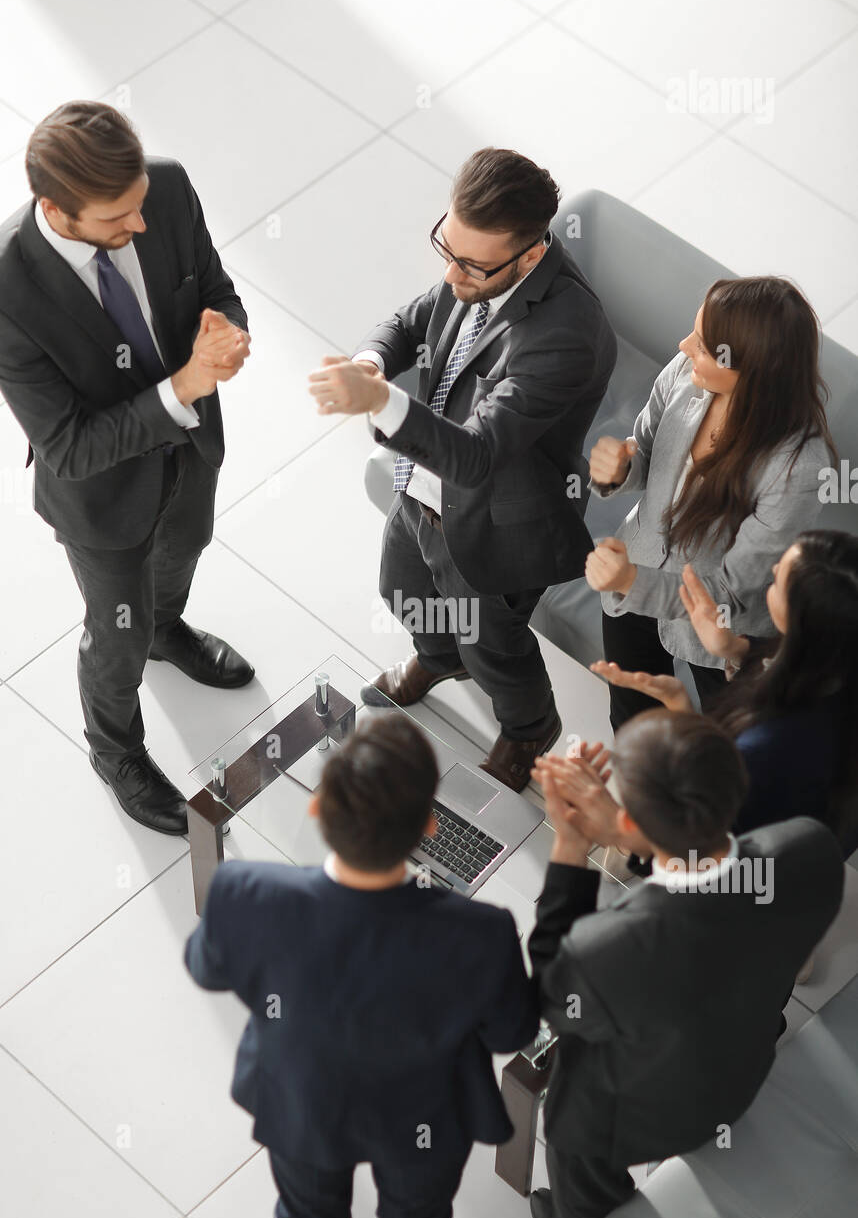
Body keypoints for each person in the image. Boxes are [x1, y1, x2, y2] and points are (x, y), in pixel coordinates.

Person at [306, 147, 617, 791]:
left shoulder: (565, 333)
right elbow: (411, 320)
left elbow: (476, 456)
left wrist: (380, 402)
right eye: (444, 248)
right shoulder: (476, 268)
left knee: (494, 645)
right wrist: (370, 365)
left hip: (497, 513)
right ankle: (438, 657)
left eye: (469, 264)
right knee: (403, 589)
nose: (451, 276)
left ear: (530, 256)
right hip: (422, 483)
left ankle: (530, 727)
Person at [184, 712, 539, 1218]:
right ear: (430, 825)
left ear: (317, 806)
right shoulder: (483, 933)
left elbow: (205, 967)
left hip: (304, 1098)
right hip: (424, 1116)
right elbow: (512, 1032)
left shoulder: (245, 893)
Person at [0, 101, 253, 836]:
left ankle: (169, 630)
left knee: (185, 548)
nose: (139, 226)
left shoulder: (162, 189)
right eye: (117, 220)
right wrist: (185, 388)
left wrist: (226, 328)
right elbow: (68, 446)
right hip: (100, 496)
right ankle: (116, 751)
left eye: (139, 207)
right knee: (115, 633)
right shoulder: (3, 291)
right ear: (56, 209)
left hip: (191, 451)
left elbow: (212, 285)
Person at [525, 711, 844, 1218]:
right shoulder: (808, 847)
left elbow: (555, 999)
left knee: (569, 1131)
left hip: (659, 1116)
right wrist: (641, 833)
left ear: (628, 825)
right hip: (746, 1059)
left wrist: (570, 846)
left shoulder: (611, 949)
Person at [584, 277, 837, 734]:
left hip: (722, 629)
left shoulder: (799, 467)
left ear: (753, 369)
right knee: (632, 723)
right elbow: (644, 455)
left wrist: (630, 582)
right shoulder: (686, 373)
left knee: (724, 747)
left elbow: (729, 590)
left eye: (702, 346)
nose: (684, 347)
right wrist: (619, 470)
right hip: (634, 575)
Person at [590, 529, 858, 856]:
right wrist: (731, 649)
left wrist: (615, 827)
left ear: (800, 622)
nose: (771, 572)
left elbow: (704, 844)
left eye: (777, 583)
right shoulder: (836, 665)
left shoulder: (766, 744)